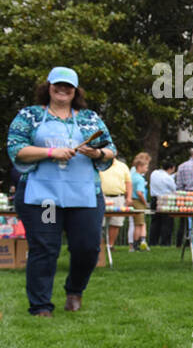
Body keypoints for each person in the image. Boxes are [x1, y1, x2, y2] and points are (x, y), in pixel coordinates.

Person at [6, 66, 118, 316]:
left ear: (75, 90)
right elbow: (16, 149)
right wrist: (49, 152)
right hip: (43, 196)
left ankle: (75, 290)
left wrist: (97, 153)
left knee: (88, 247)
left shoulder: (90, 119)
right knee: (45, 247)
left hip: (84, 195)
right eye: (58, 84)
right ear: (48, 86)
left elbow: (111, 150)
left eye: (68, 86)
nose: (62, 89)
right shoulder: (30, 115)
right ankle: (40, 305)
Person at [99, 150, 131, 247]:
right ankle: (100, 245)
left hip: (119, 197)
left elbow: (128, 182)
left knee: (116, 222)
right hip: (102, 196)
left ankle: (110, 245)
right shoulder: (99, 164)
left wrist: (129, 197)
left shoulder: (123, 166)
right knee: (99, 223)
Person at [148, 161, 178, 247]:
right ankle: (165, 242)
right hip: (165, 200)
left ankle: (152, 242)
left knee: (155, 222)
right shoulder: (168, 178)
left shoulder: (154, 173)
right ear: (171, 168)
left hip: (154, 199)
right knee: (167, 222)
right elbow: (174, 189)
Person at [129, 152, 151, 250]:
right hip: (139, 202)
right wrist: (145, 202)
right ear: (140, 166)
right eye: (146, 166)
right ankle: (140, 243)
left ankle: (135, 244)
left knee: (137, 224)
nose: (147, 168)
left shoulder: (132, 176)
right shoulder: (140, 179)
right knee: (141, 224)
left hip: (133, 201)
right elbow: (139, 192)